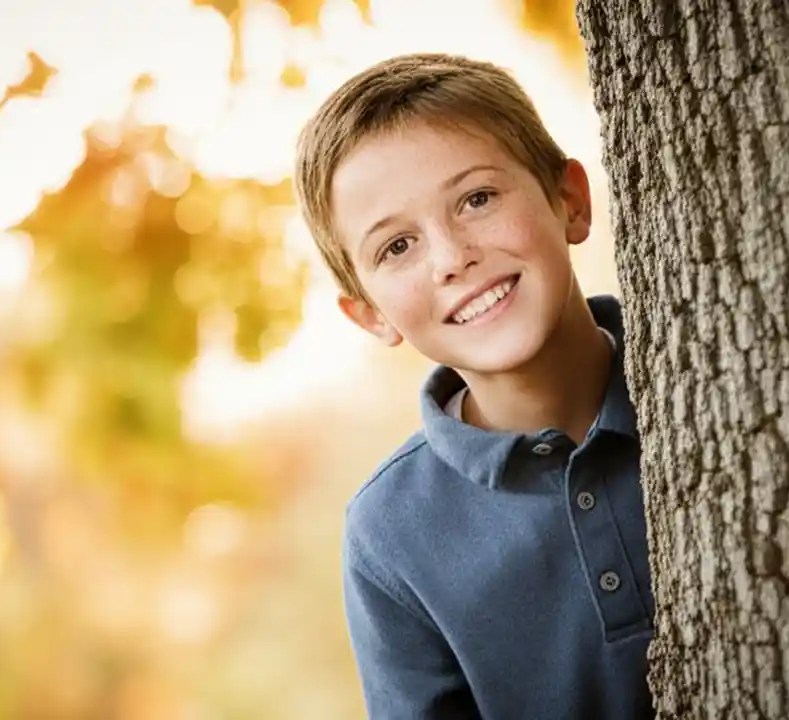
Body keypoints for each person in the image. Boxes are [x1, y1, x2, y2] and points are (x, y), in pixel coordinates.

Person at [292, 52, 655, 718]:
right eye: (397, 246)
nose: (453, 258)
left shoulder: (696, 384)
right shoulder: (391, 535)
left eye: (476, 199)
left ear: (569, 201)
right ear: (370, 313)